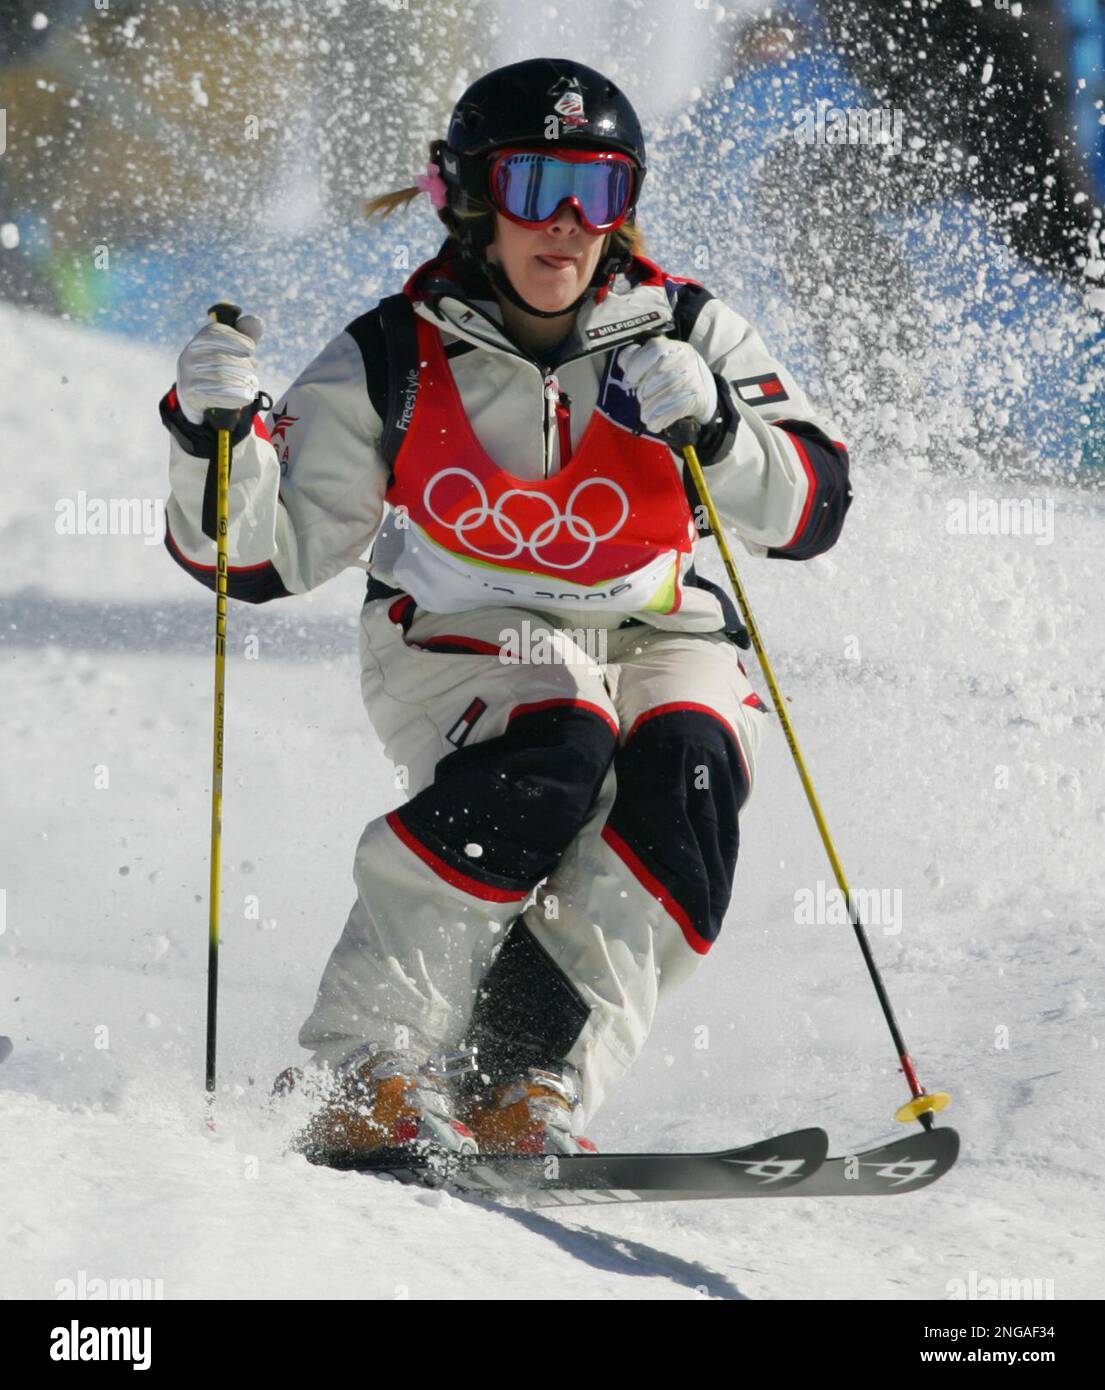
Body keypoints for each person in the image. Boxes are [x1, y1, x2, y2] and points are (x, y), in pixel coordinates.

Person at [160, 57, 852, 1165]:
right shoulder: (394, 352)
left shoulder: (681, 330)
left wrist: (722, 431)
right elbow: (259, 563)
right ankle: (363, 1062)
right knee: (558, 738)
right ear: (477, 198)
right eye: (536, 186)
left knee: (689, 770)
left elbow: (815, 507)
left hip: (653, 626)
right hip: (455, 633)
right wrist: (213, 441)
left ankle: (520, 1074)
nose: (569, 225)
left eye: (602, 189)